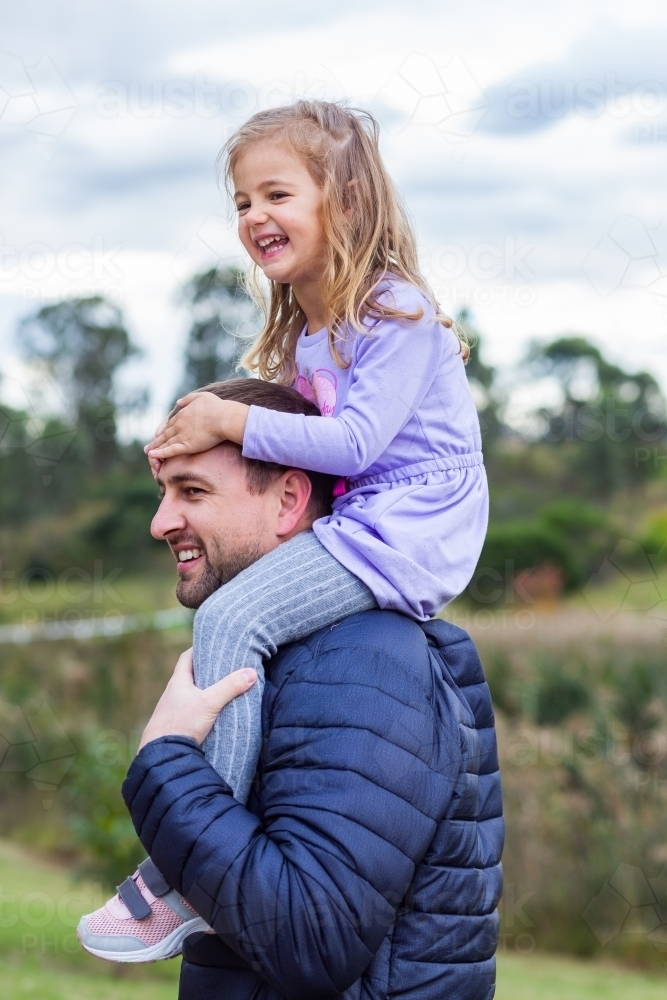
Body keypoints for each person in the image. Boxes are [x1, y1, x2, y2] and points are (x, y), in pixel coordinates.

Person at [82, 98, 488, 961]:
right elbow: (302, 458)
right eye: (241, 202)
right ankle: (204, 849)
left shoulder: (395, 312)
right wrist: (200, 442)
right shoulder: (314, 331)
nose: (253, 216)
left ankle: (188, 871)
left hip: (403, 528)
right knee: (242, 617)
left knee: (230, 618)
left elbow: (352, 445)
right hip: (366, 517)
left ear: (346, 202)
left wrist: (226, 420)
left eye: (275, 194)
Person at [82, 377, 503, 998]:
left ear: (287, 501)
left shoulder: (362, 662)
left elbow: (310, 938)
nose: (160, 522)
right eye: (163, 493)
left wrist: (167, 761)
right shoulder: (298, 651)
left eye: (192, 491)